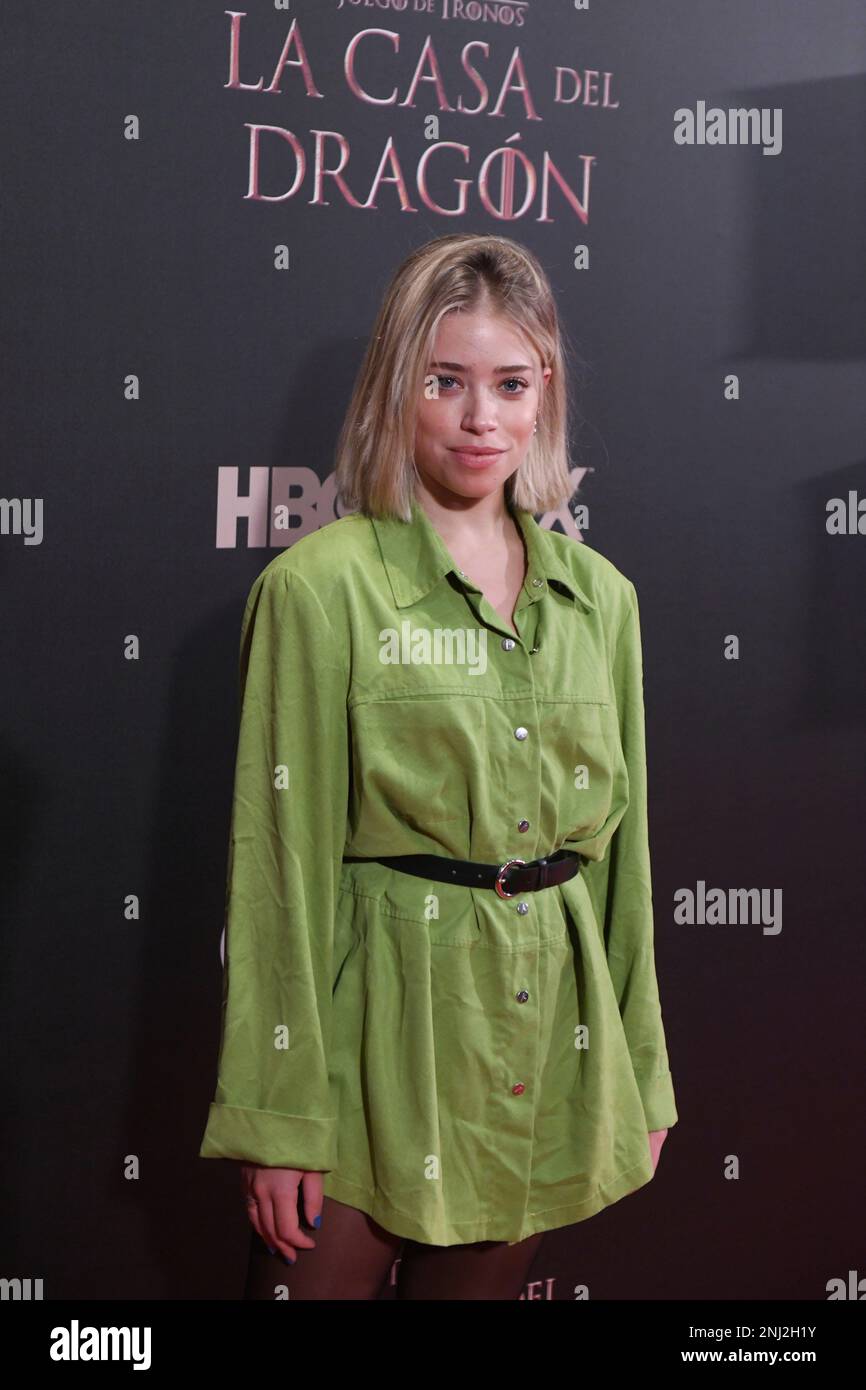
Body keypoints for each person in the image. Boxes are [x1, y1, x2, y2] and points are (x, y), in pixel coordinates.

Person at [199, 233, 678, 1300]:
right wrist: (277, 1113)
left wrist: (637, 1071)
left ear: (542, 391)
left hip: (536, 1044)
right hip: (367, 1049)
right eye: (444, 381)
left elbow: (620, 866)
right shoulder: (317, 590)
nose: (480, 418)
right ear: (393, 389)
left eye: (509, 383)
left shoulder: (602, 600)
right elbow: (279, 868)